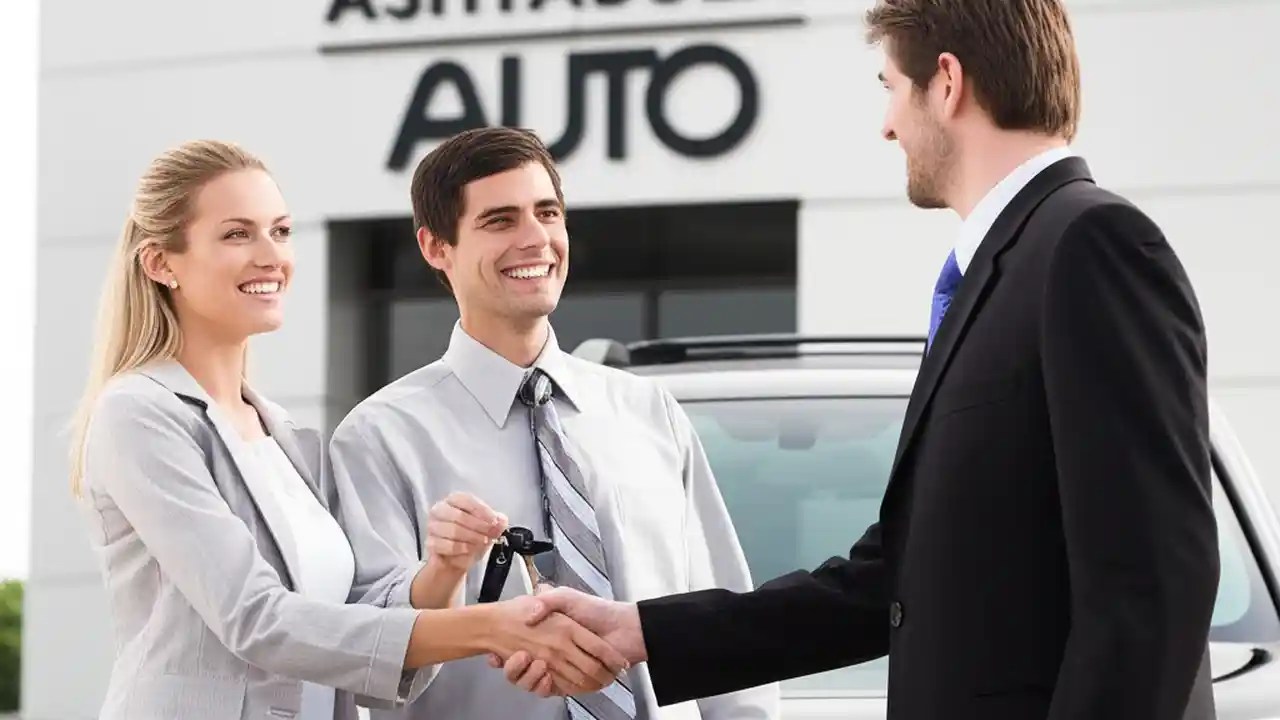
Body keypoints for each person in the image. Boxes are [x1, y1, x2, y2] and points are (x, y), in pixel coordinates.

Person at [503, 2, 1222, 719]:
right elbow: (893, 585)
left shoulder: (1092, 246)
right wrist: (639, 630)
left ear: (946, 83)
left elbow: (1151, 587)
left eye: (889, 87)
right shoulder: (1005, 271)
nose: (887, 125)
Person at [69, 139, 628, 720]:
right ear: (161, 263)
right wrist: (495, 626)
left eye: (281, 231)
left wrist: (443, 570)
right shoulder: (139, 414)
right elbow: (257, 620)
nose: (271, 256)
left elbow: (361, 651)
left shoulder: (285, 437)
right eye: (238, 234)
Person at [327, 126, 780, 720]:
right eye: (500, 220)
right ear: (436, 248)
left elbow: (724, 629)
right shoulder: (380, 439)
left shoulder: (652, 415)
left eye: (548, 213)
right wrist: (441, 573)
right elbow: (370, 658)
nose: (536, 238)